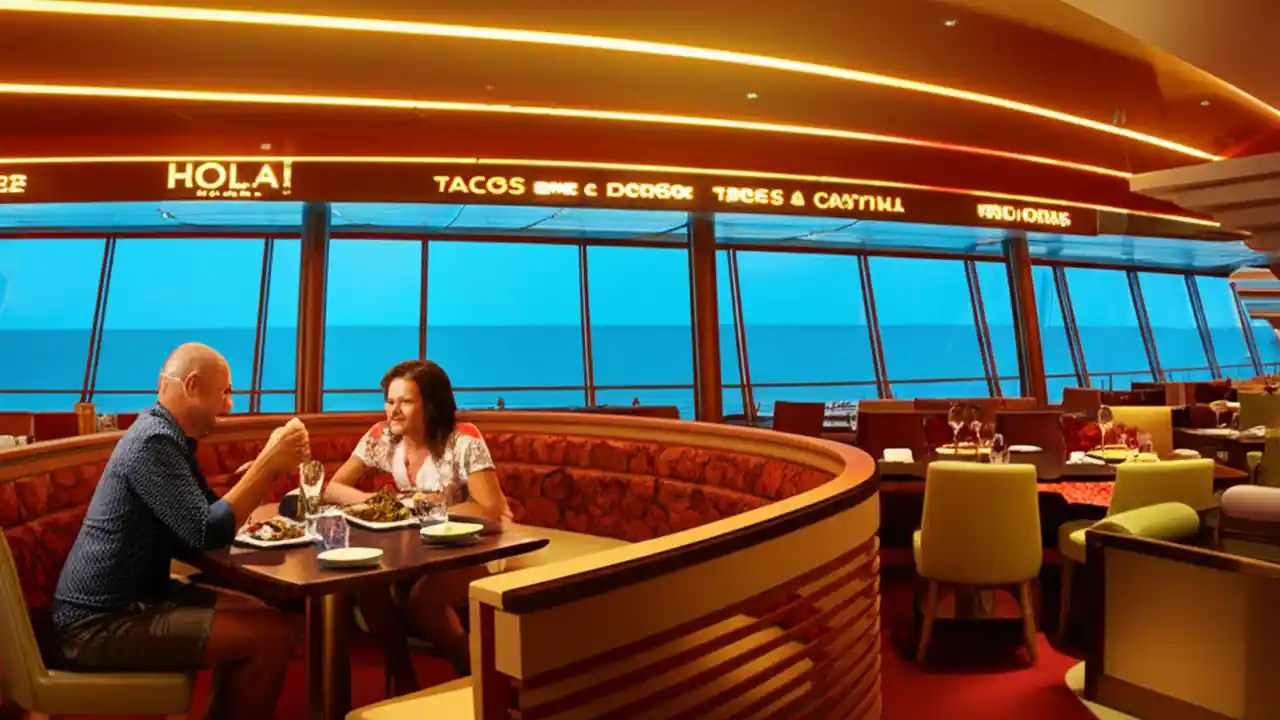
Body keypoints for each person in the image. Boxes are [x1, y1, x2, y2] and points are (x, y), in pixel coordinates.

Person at [52, 342, 310, 720]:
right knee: (270, 635)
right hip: (98, 622)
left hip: (142, 595)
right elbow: (209, 531)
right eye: (225, 393)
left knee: (259, 613)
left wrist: (257, 474)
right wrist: (269, 464)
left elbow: (204, 522)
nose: (230, 406)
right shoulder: (152, 442)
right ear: (191, 385)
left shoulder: (168, 438)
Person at [325, 359, 510, 692]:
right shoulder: (382, 437)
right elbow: (333, 488)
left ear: (432, 404)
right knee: (367, 583)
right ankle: (404, 679)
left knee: (422, 601)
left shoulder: (463, 440)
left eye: (406, 402)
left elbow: (493, 512)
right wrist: (383, 503)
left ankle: (481, 682)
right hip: (415, 548)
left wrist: (431, 503)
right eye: (390, 400)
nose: (393, 411)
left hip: (472, 547)